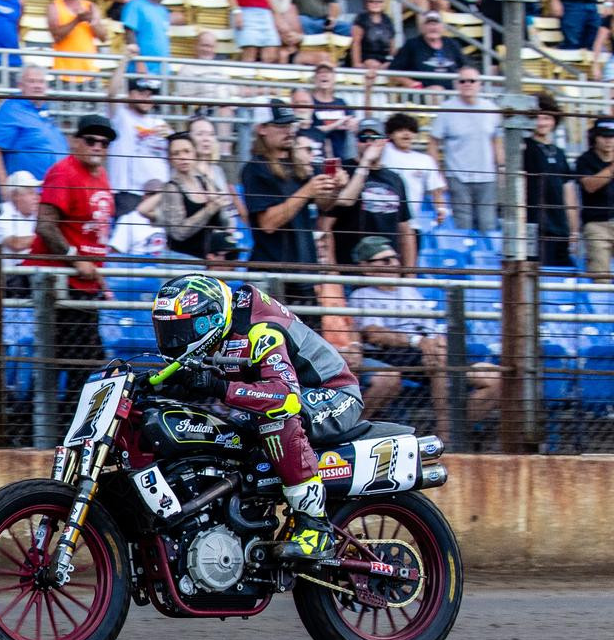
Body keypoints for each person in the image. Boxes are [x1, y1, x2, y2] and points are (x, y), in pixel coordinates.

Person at [149, 273, 363, 561]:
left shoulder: (261, 330)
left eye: (180, 331)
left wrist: (219, 387)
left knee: (274, 418)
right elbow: (177, 380)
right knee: (224, 434)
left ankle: (316, 528)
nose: (174, 340)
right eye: (167, 331)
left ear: (208, 320)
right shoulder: (219, 333)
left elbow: (285, 397)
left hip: (332, 395)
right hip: (292, 395)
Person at [348, 236, 502, 430]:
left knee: (496, 380)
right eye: (386, 260)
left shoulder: (409, 291)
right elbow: (374, 334)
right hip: (397, 353)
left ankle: (449, 432)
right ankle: (446, 435)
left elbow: (431, 328)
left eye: (395, 258)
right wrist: (418, 341)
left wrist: (437, 341)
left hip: (431, 351)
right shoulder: (362, 295)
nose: (394, 264)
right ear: (366, 268)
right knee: (437, 356)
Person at [30, 112, 115, 401]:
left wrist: (98, 272)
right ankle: (51, 421)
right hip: (61, 284)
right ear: (75, 141)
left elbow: (92, 234)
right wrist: (74, 258)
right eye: (91, 140)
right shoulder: (63, 172)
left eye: (104, 143)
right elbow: (45, 225)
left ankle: (52, 419)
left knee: (82, 365)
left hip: (85, 285)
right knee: (78, 364)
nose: (97, 146)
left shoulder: (101, 175)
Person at [243, 101, 341, 306]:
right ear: (262, 129)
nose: (288, 131)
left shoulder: (299, 166)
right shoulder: (255, 169)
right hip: (271, 275)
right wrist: (307, 191)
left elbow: (324, 205)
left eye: (290, 125)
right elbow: (268, 223)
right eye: (281, 126)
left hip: (304, 273)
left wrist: (334, 188)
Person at [323, 125, 415, 272]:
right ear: (356, 142)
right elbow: (325, 225)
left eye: (374, 138)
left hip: (387, 266)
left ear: (385, 141)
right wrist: (332, 271)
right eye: (363, 139)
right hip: (349, 266)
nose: (369, 143)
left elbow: (405, 230)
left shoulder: (395, 179)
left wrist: (410, 274)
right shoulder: (343, 172)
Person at [430, 68, 502, 233]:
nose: (467, 84)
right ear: (456, 84)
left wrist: (502, 168)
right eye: (463, 81)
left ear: (480, 84)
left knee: (488, 226)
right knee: (462, 226)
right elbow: (433, 142)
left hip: (487, 177)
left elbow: (497, 141)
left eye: (472, 81)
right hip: (457, 176)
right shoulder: (447, 109)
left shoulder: (491, 109)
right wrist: (437, 174)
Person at [153, 131, 232, 258]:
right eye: (176, 153)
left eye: (187, 151)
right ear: (170, 160)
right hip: (179, 260)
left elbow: (224, 224)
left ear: (195, 153)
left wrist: (220, 206)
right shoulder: (172, 188)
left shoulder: (205, 182)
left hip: (204, 259)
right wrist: (209, 209)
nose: (182, 157)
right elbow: (178, 233)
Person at [107, 65, 172, 215]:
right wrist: (125, 59)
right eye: (141, 93)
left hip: (159, 195)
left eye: (149, 94)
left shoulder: (160, 123)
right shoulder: (121, 116)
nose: (146, 98)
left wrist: (171, 138)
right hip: (129, 193)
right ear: (130, 94)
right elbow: (111, 93)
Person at [0, 65, 70, 181]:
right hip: (26, 188)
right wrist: (3, 184)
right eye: (32, 81)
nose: (37, 86)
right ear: (21, 85)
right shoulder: (12, 109)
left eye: (41, 82)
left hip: (54, 185)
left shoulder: (45, 110)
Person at [525, 92, 579, 269]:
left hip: (559, 226)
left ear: (555, 120)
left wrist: (573, 229)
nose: (541, 123)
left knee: (561, 274)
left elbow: (568, 192)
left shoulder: (560, 153)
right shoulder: (523, 147)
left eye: (547, 117)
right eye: (537, 117)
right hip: (534, 225)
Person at [381, 114, 449, 234]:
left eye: (410, 130)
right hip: (382, 221)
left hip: (412, 224)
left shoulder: (425, 160)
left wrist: (441, 209)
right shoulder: (383, 152)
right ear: (390, 134)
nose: (406, 134)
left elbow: (436, 190)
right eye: (400, 130)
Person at [389, 11, 468, 88]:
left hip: (453, 91)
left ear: (443, 27)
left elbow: (464, 67)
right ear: (421, 27)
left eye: (436, 24)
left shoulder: (452, 44)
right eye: (428, 24)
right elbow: (393, 71)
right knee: (437, 89)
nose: (433, 27)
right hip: (424, 92)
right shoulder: (411, 45)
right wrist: (410, 83)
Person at [121, 0, 180, 76]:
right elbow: (129, 32)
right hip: (141, 69)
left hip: (161, 70)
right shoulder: (135, 4)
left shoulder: (163, 11)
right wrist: (139, 61)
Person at [47, 0, 103, 78]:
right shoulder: (54, 6)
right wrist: (77, 20)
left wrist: (92, 21)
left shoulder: (90, 6)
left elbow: (104, 37)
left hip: (89, 73)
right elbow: (56, 37)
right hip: (63, 73)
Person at [577, 118, 614, 278]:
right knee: (600, 277)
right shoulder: (585, 160)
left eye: (612, 136)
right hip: (597, 225)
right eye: (604, 136)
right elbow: (589, 185)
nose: (609, 141)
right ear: (594, 138)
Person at [0, 169, 41, 257]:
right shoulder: (1, 213)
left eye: (36, 193)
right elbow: (16, 244)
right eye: (31, 193)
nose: (36, 197)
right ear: (15, 195)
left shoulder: (35, 214)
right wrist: (46, 238)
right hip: (2, 266)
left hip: (30, 264)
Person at [349, 0, 398, 70]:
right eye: (371, 1)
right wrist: (357, 63)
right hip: (366, 57)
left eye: (379, 1)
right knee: (373, 65)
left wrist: (395, 60)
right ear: (365, 3)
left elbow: (392, 44)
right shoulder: (361, 19)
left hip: (384, 58)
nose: (376, 4)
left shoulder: (387, 20)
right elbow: (356, 43)